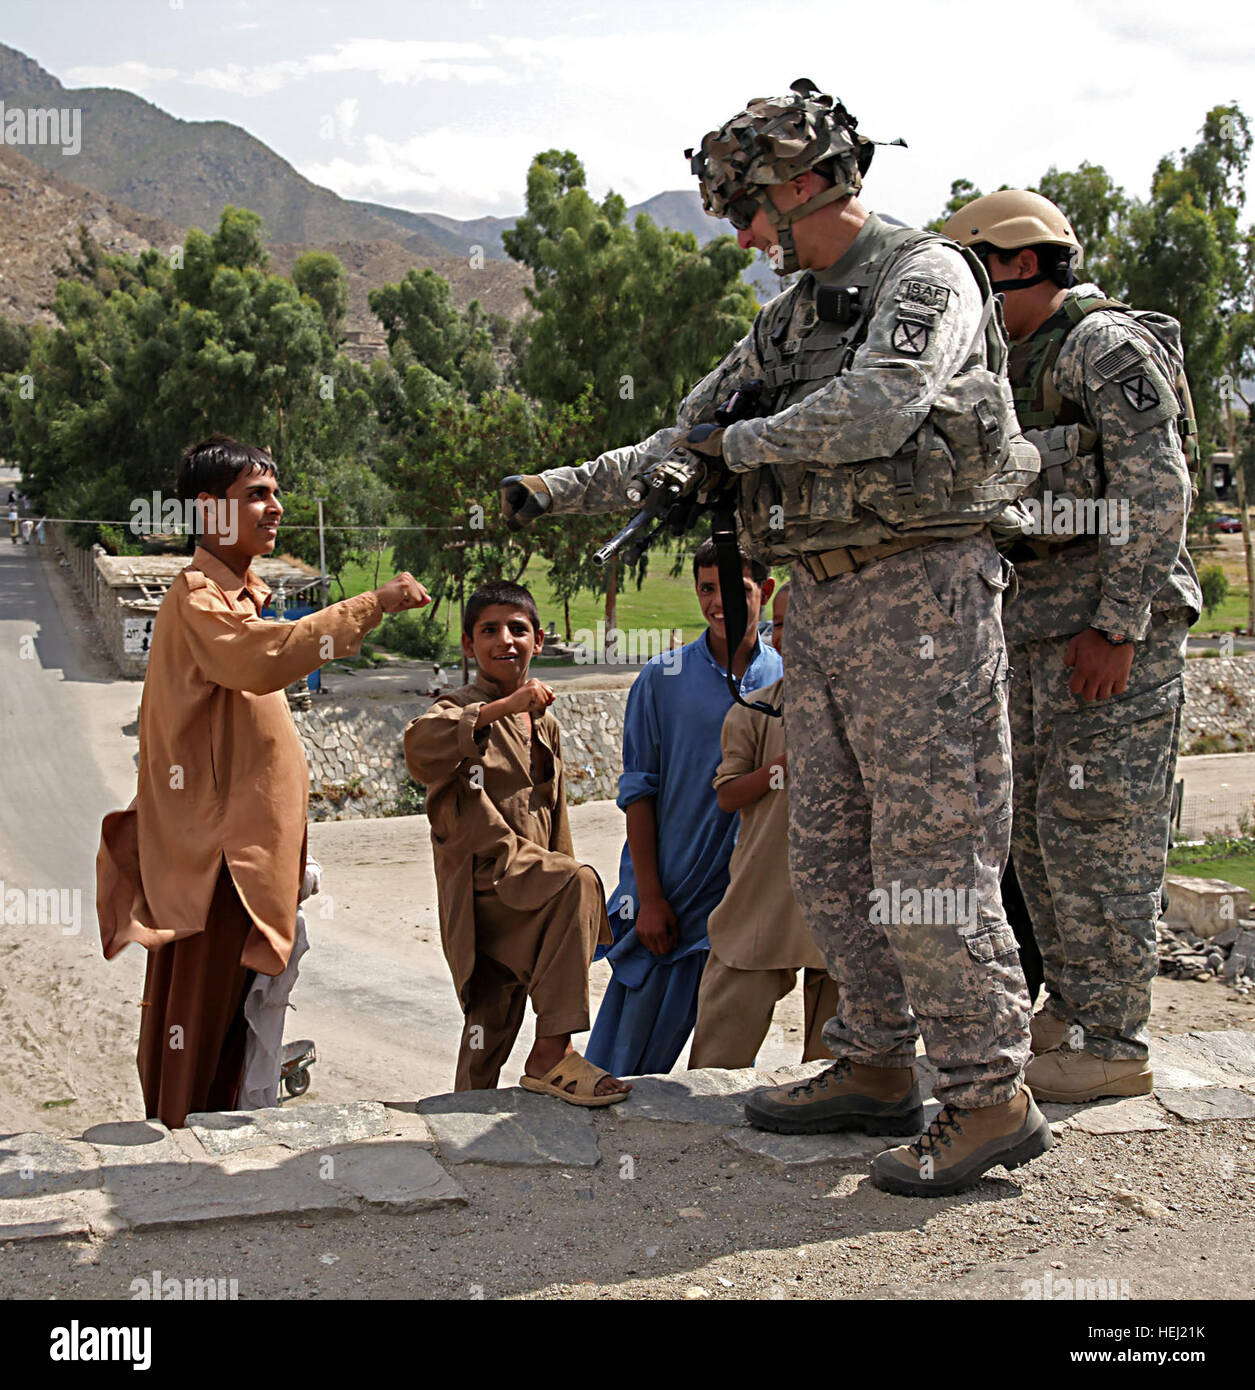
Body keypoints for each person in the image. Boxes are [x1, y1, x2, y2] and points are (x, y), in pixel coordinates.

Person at [503, 79, 1051, 1197]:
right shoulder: (791, 317)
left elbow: (883, 406)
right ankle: (873, 1062)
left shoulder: (925, 277)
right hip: (833, 604)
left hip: (925, 598)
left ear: (806, 183)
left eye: (753, 210)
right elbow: (686, 432)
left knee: (930, 859)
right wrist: (556, 489)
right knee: (833, 849)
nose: (748, 237)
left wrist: (736, 445)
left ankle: (989, 1091)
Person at [943, 191, 1202, 1102]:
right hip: (1036, 632)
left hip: (1107, 635)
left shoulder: (1102, 345)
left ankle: (1113, 1042)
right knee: (1038, 835)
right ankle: (1073, 1008)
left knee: (1100, 836)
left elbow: (1156, 487)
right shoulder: (1006, 364)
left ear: (1015, 264)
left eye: (971, 273)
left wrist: (1118, 628)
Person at [96, 435, 430, 1128]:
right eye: (257, 495)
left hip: (245, 863)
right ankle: (179, 1160)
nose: (276, 508)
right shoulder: (197, 597)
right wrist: (371, 605)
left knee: (238, 1027)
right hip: (218, 866)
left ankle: (215, 1141)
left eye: (275, 493)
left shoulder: (237, 596)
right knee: (199, 1024)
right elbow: (260, 661)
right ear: (208, 510)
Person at [403, 581, 630, 1104]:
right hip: (485, 891)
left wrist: (575, 908)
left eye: (517, 629)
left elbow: (555, 816)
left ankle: (508, 1084)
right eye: (489, 631)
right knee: (486, 1028)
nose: (505, 640)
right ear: (468, 645)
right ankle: (546, 1058)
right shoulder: (458, 707)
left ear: (539, 640)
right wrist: (503, 707)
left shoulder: (543, 722)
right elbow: (420, 747)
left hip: (533, 886)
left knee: (574, 882)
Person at [580, 540, 781, 1078]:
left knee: (723, 1068)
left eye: (735, 591)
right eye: (708, 590)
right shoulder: (662, 677)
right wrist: (648, 896)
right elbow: (638, 791)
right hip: (669, 895)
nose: (720, 604)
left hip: (745, 902)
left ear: (765, 591)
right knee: (622, 1066)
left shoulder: (787, 680)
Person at [689, 581, 840, 1069]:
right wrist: (781, 767)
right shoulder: (754, 709)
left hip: (846, 903)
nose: (791, 637)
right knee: (717, 1060)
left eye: (808, 623)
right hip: (764, 890)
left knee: (840, 1060)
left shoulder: (871, 706)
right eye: (783, 625)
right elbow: (728, 793)